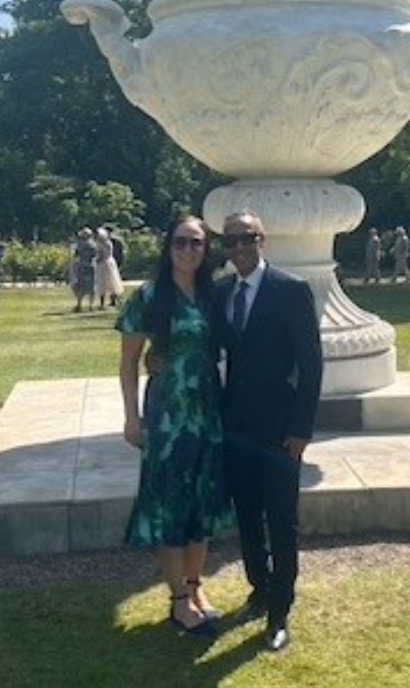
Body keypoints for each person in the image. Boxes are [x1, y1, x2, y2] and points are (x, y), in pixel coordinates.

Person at [212, 211, 324, 653]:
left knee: (282, 522)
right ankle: (259, 588)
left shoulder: (290, 289)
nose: (238, 247)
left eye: (247, 238)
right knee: (247, 518)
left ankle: (280, 612)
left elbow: (312, 365)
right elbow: (204, 347)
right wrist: (158, 359)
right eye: (231, 240)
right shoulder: (220, 293)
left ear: (263, 240)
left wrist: (301, 429)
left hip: (280, 432)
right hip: (236, 428)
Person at [117, 216, 234, 635]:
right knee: (170, 503)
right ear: (168, 247)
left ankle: (196, 588)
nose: (188, 250)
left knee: (201, 501)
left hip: (207, 411)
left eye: (197, 243)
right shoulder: (148, 297)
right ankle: (179, 601)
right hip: (168, 415)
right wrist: (132, 417)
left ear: (206, 250)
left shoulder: (212, 295)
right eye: (181, 242)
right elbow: (130, 361)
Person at [94, 227, 124, 310]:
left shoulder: (105, 244)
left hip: (105, 264)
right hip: (106, 263)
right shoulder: (104, 243)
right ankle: (108, 302)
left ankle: (112, 301)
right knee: (106, 282)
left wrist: (97, 260)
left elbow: (102, 255)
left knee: (107, 282)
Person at [69, 228, 97, 312]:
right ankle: (90, 305)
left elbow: (76, 256)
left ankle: (79, 304)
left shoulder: (80, 245)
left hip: (82, 266)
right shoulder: (93, 245)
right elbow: (95, 256)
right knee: (91, 286)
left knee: (81, 286)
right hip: (90, 267)